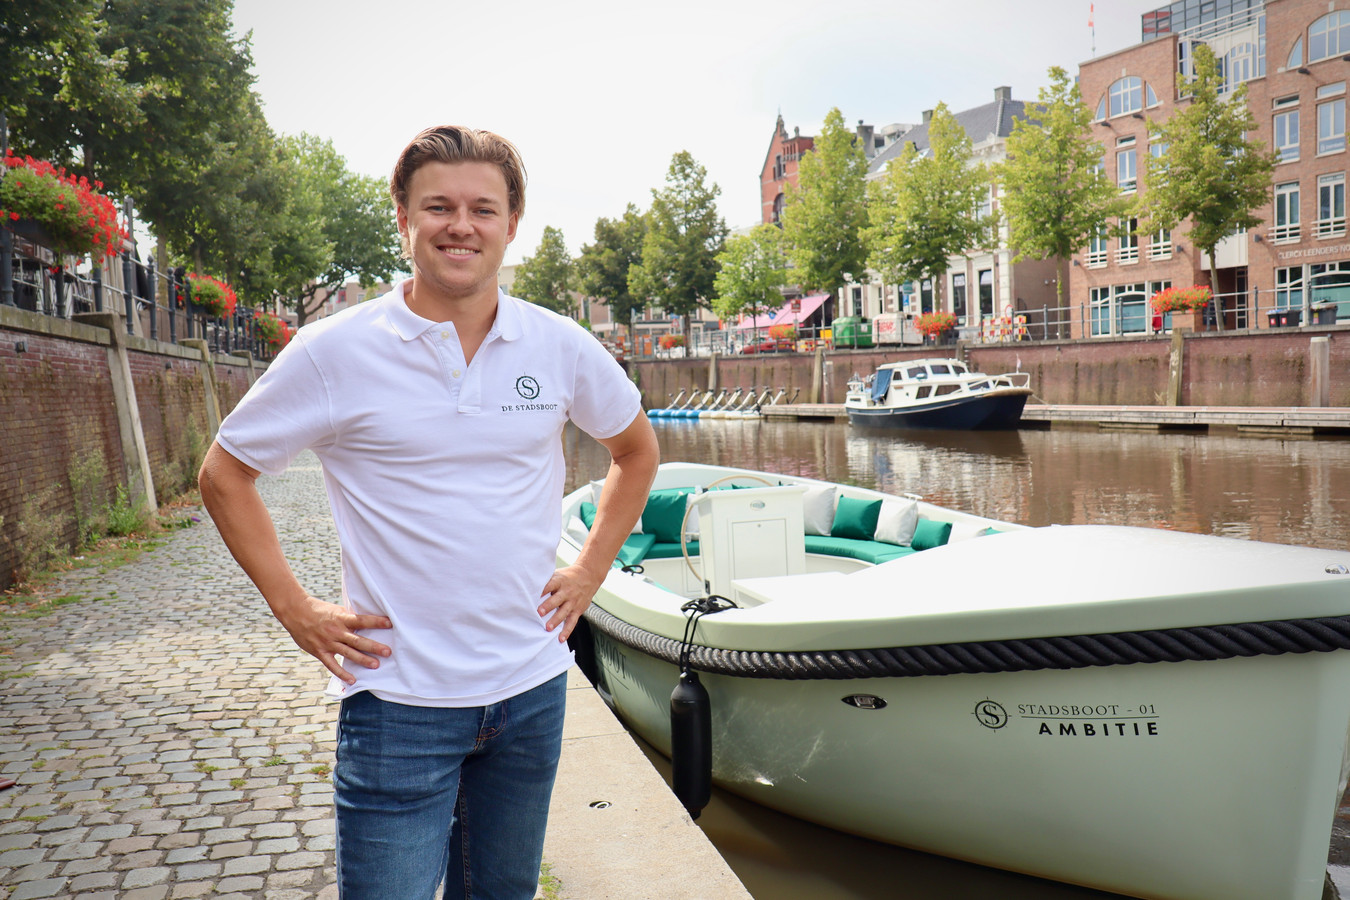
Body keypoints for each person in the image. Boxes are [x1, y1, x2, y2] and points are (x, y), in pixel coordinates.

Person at [198, 124, 659, 899]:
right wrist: (295, 609)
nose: (461, 225)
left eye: (483, 208)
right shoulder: (333, 351)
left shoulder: (559, 346)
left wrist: (588, 570)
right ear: (403, 218)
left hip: (530, 690)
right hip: (398, 702)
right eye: (438, 206)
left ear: (512, 223)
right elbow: (225, 474)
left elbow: (636, 452)